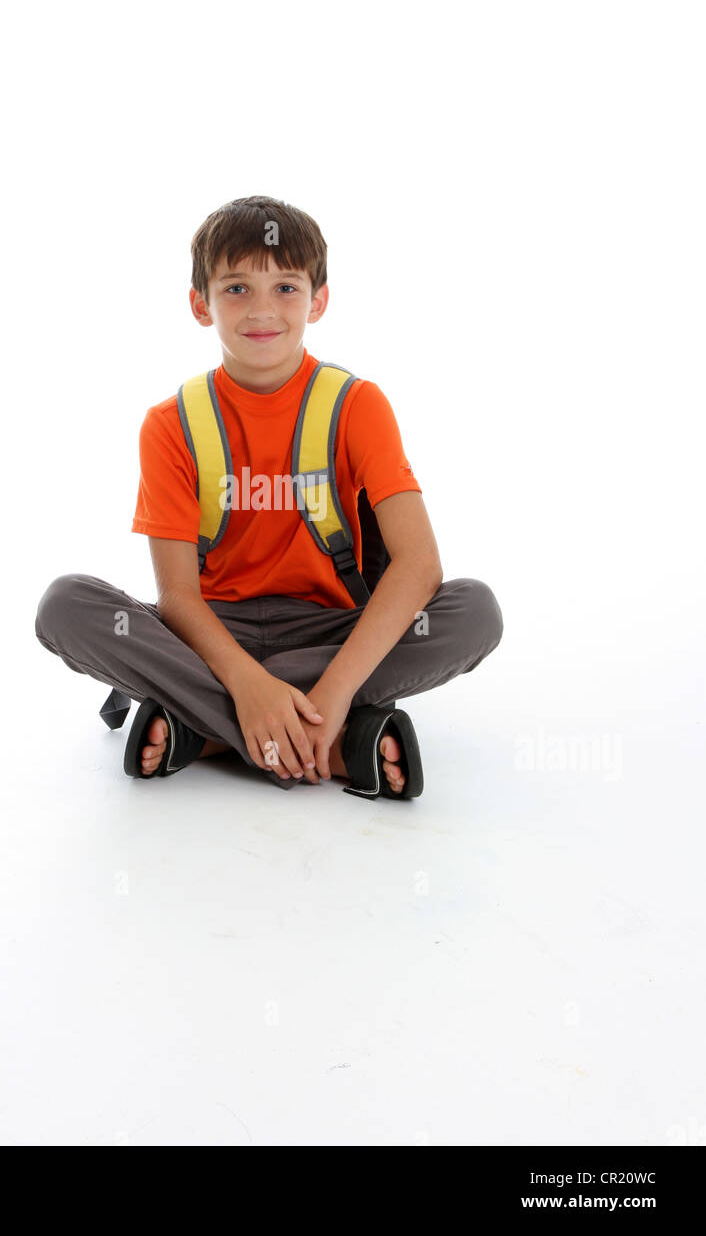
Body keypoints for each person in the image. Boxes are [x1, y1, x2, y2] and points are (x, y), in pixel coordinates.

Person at [35, 195, 503, 797]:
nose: (262, 309)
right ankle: (330, 748)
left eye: (285, 287)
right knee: (66, 606)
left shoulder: (357, 405)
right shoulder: (170, 423)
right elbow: (176, 595)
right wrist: (248, 684)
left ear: (319, 299)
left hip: (333, 631)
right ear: (200, 305)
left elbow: (419, 566)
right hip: (210, 634)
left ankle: (203, 730)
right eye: (235, 289)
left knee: (474, 611)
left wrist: (334, 693)